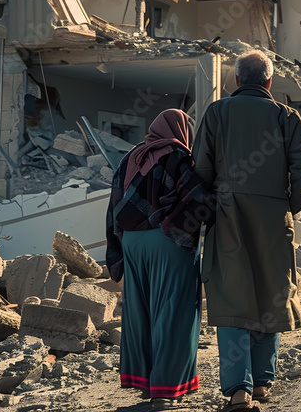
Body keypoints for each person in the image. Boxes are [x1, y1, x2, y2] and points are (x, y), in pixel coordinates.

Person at [192, 50, 301, 412]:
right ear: (269, 82)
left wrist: (213, 205)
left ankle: (238, 390)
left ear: (236, 80)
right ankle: (262, 382)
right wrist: (287, 207)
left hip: (228, 216)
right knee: (270, 291)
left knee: (233, 296)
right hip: (274, 216)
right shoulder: (286, 116)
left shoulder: (217, 112)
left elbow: (201, 167)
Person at [106, 109, 215, 411]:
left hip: (131, 243)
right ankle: (165, 390)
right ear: (182, 131)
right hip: (165, 242)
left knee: (141, 315)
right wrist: (178, 230)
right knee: (174, 312)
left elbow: (113, 204)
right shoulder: (178, 156)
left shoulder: (130, 158)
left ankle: (146, 383)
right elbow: (200, 199)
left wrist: (117, 247)